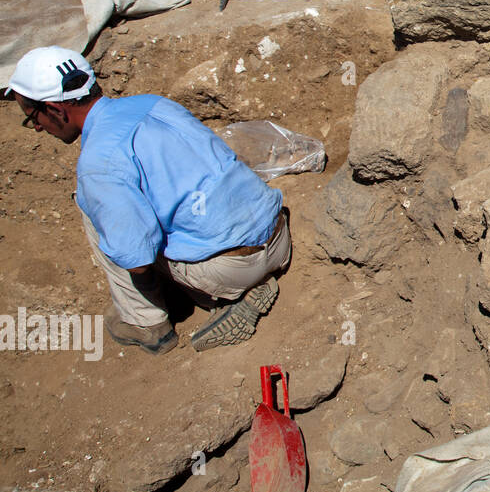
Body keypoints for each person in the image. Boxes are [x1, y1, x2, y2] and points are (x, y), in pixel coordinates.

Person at [6, 47, 290, 355]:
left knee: (96, 209)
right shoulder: (152, 103)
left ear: (54, 110)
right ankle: (241, 281)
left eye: (33, 118)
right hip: (278, 236)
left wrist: (137, 245)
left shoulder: (98, 162)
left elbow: (138, 261)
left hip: (234, 268)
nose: (37, 127)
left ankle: (147, 324)